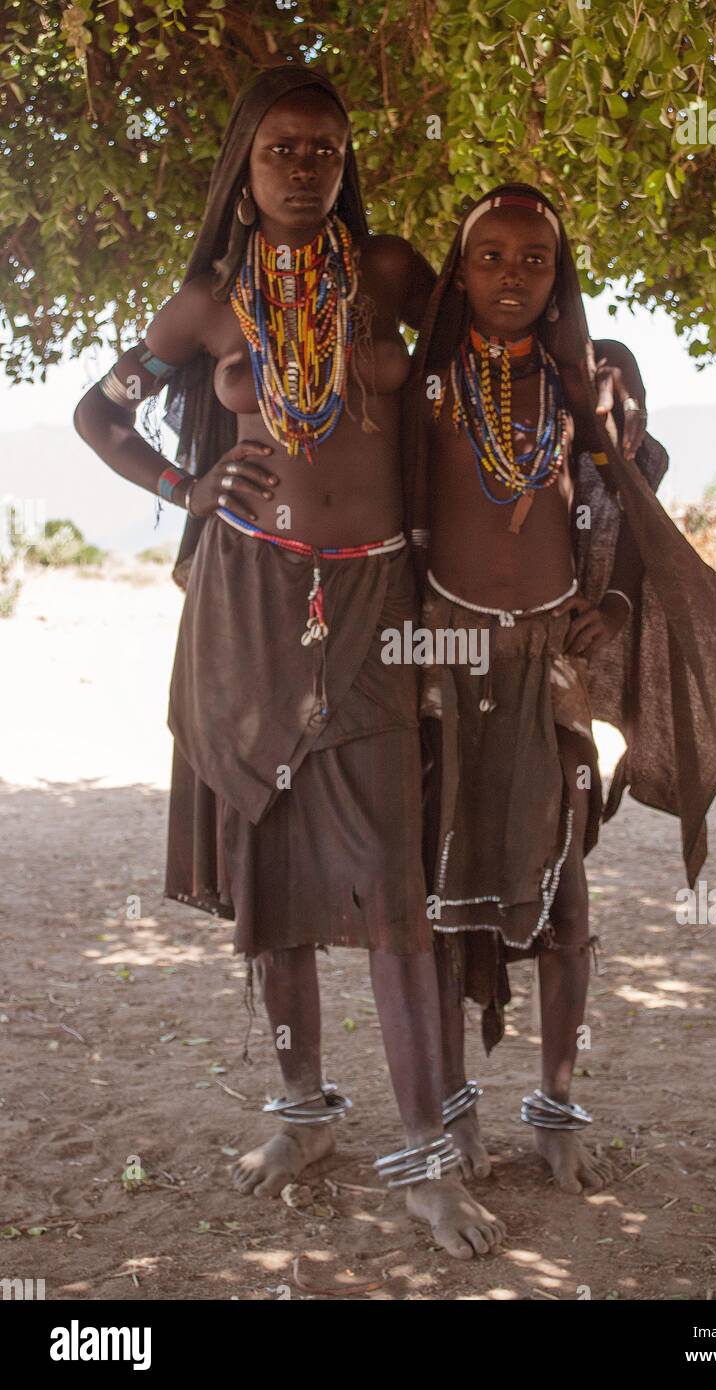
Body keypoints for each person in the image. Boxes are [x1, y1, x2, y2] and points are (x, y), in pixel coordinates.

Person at [73, 65, 505, 1260]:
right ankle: (303, 1114)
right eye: (282, 147)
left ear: (346, 160)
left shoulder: (392, 276)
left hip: (377, 594)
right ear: (245, 164)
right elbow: (97, 417)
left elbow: (492, 354)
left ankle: (426, 1159)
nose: (306, 164)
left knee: (389, 892)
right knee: (269, 886)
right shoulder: (208, 303)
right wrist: (185, 487)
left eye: (325, 146)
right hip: (248, 599)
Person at [407, 185, 716, 1193]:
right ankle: (453, 1111)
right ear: (458, 273)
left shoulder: (584, 386)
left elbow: (630, 499)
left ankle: (554, 1105)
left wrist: (620, 606)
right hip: (445, 656)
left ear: (560, 276)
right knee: (438, 891)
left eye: (534, 259)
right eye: (490, 257)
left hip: (547, 661)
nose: (512, 275)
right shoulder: (423, 384)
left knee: (566, 895)